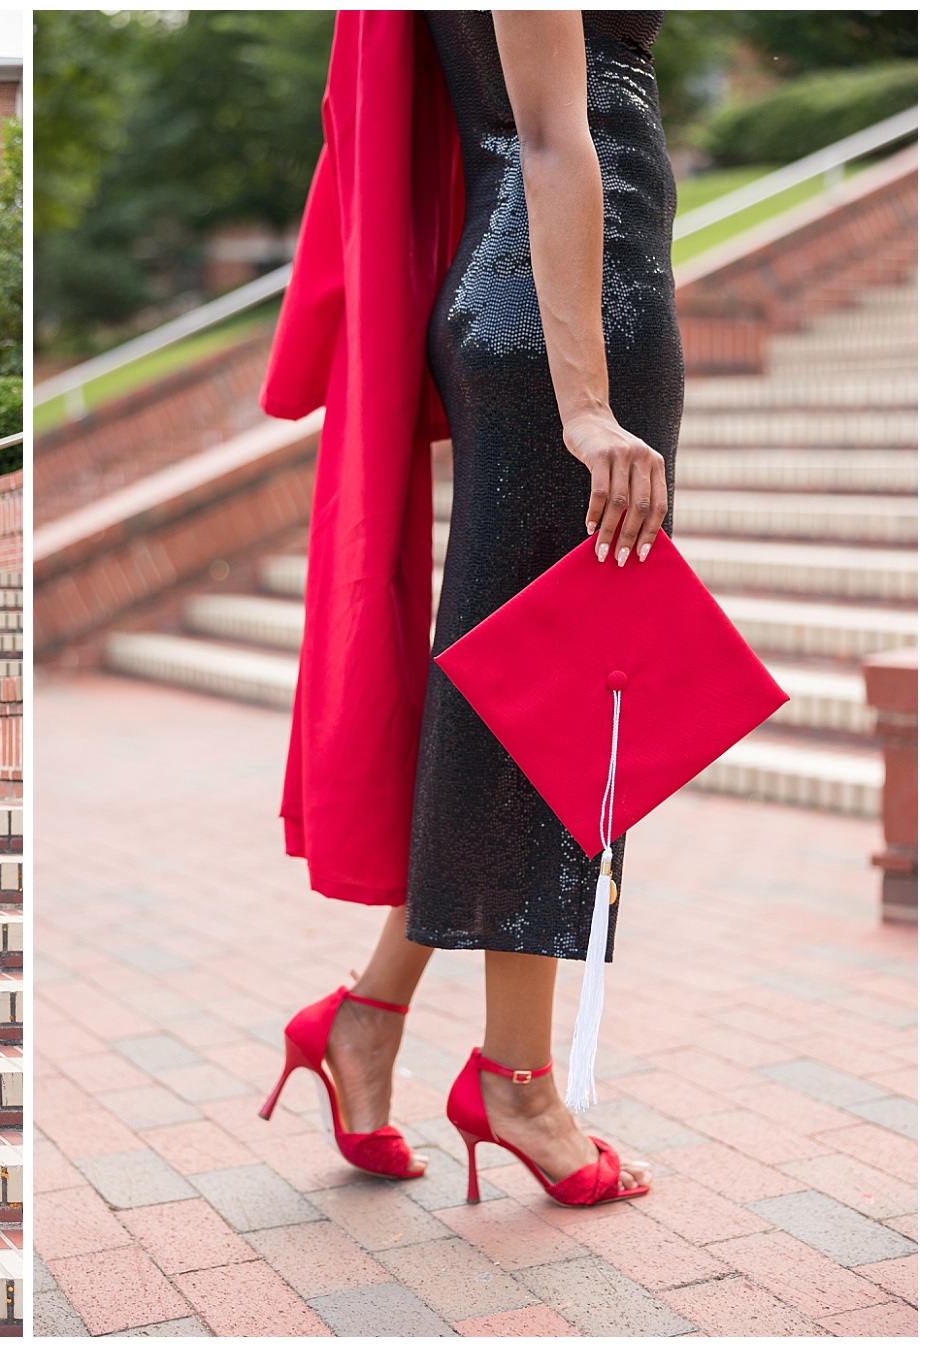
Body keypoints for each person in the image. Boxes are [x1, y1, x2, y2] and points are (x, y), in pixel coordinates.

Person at [262, 11, 675, 1207]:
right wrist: (587, 404)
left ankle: (370, 1015)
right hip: (567, 316)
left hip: (572, 295)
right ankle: (516, 1081)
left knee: (528, 701)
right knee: (553, 712)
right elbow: (553, 137)